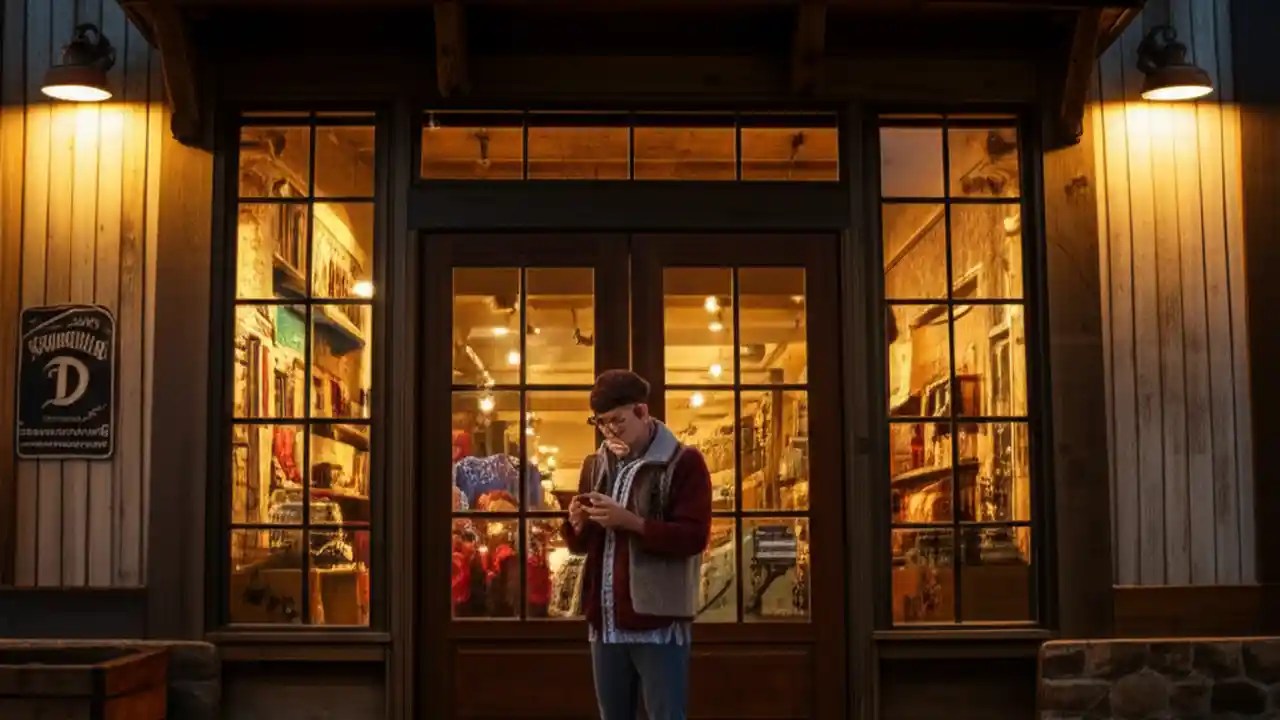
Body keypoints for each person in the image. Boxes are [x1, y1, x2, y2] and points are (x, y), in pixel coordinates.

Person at [562, 369, 712, 720]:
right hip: (606, 620)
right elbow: (582, 544)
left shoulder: (682, 462)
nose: (610, 431)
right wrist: (577, 523)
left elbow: (693, 537)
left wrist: (629, 521)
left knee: (666, 713)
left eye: (618, 421)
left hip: (657, 619)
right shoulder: (595, 463)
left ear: (642, 413)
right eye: (601, 423)